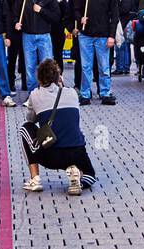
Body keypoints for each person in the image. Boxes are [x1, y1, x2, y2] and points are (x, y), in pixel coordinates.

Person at [20, 58, 97, 195]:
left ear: (39, 78)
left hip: (51, 155)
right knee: (90, 174)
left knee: (25, 128)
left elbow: (31, 120)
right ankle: (78, 179)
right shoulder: (72, 93)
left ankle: (35, 179)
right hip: (77, 151)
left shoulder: (35, 94)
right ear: (59, 76)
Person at [75, 0, 119, 105]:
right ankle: (85, 94)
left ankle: (105, 93)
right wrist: (80, 18)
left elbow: (115, 17)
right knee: (86, 67)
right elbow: (75, 11)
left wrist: (111, 36)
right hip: (86, 36)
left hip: (103, 36)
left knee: (104, 67)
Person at [13, 0, 57, 92]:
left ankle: (48, 92)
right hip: (28, 36)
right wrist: (16, 22)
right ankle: (32, 93)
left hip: (44, 35)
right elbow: (15, 14)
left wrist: (41, 10)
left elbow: (56, 17)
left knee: (47, 66)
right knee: (30, 66)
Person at [5, 0, 29, 93]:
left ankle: (25, 82)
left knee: (25, 60)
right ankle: (11, 83)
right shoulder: (10, 0)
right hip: (13, 33)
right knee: (12, 59)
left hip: (24, 32)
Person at [115, 0, 138, 75]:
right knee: (123, 46)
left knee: (122, 46)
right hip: (123, 22)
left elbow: (124, 10)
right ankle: (122, 67)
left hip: (124, 23)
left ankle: (122, 67)